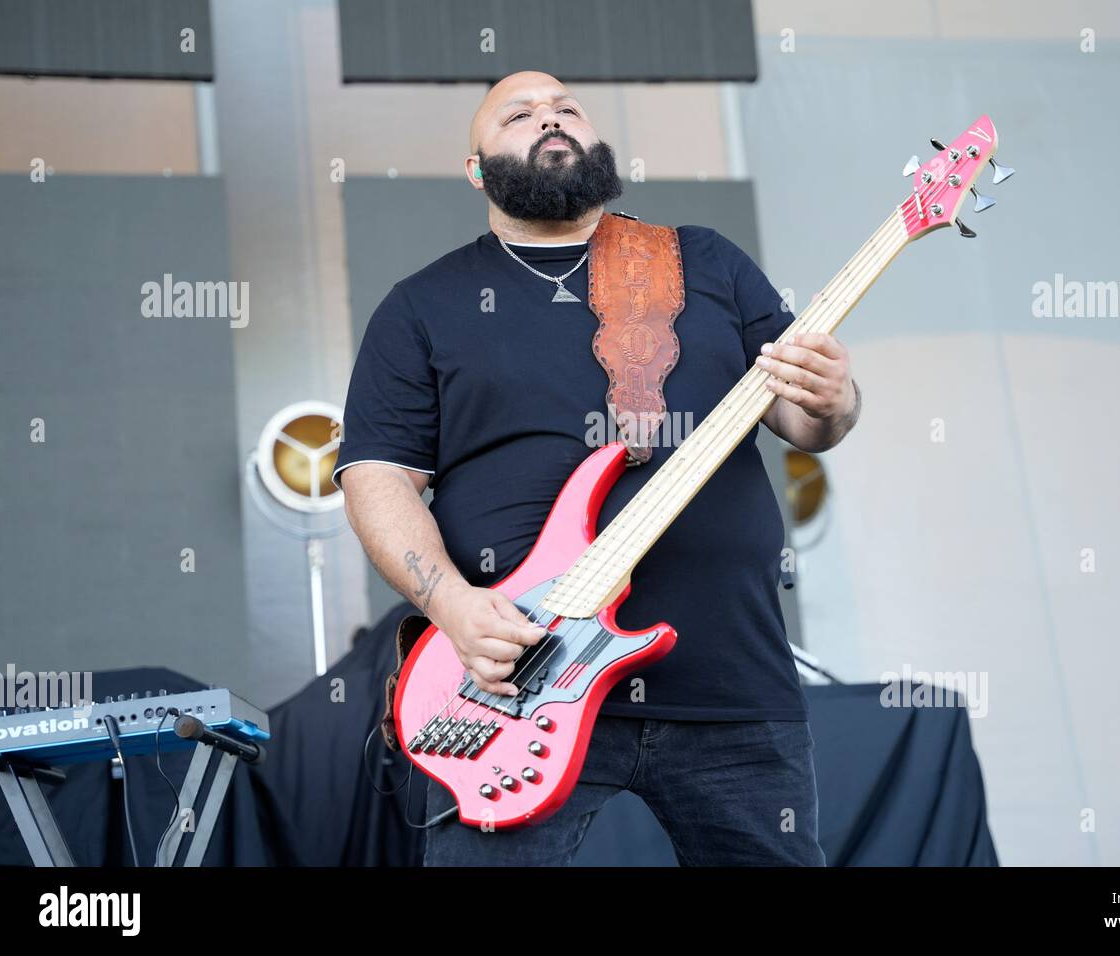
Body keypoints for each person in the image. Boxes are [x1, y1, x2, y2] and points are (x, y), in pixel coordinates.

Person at [334, 71, 860, 866]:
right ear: (477, 169)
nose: (550, 115)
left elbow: (805, 419)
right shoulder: (422, 305)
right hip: (515, 682)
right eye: (518, 113)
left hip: (729, 679)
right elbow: (377, 475)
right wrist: (451, 606)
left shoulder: (703, 262)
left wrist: (833, 396)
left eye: (566, 107)